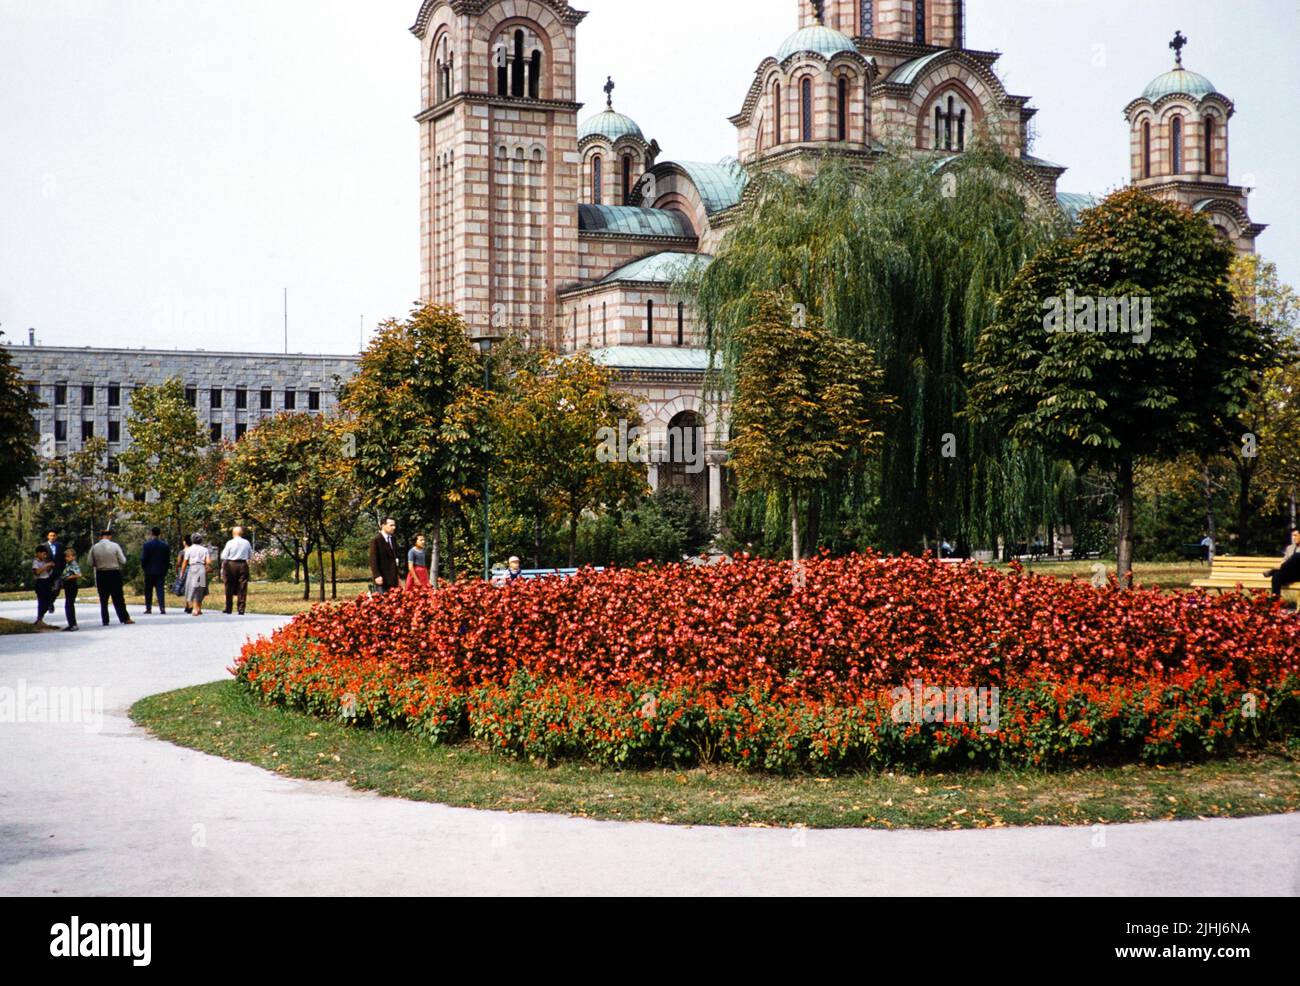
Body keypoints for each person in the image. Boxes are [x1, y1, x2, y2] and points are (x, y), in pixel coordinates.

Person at [89, 530, 133, 626]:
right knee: (118, 597)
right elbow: (123, 560)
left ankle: (105, 620)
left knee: (103, 598)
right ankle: (124, 618)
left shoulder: (94, 547)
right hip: (114, 572)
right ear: (110, 536)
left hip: (101, 573)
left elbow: (90, 562)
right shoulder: (115, 545)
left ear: (101, 537)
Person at [219, 525, 253, 615]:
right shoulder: (247, 543)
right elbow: (250, 555)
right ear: (242, 533)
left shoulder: (230, 542)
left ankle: (228, 607)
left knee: (229, 586)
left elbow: (224, 555)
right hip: (243, 564)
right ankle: (241, 608)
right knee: (242, 586)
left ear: (233, 533)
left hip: (231, 564)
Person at [179, 533, 213, 616]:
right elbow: (208, 561)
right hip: (201, 569)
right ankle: (199, 608)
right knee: (200, 588)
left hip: (193, 569)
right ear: (201, 540)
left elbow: (185, 562)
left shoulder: (189, 549)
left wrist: (182, 572)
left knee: (193, 588)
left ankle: (195, 609)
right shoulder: (204, 550)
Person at [368, 517, 402, 594]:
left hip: (393, 578)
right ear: (383, 526)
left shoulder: (393, 539)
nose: (394, 527)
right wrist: (377, 575)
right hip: (382, 578)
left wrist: (397, 576)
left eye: (394, 525)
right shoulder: (376, 540)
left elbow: (395, 558)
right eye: (391, 525)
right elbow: (373, 559)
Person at [140, 527, 171, 615]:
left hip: (149, 571)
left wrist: (144, 567)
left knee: (148, 590)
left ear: (151, 533)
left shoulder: (147, 545)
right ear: (159, 533)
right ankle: (162, 608)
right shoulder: (165, 546)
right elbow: (167, 559)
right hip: (161, 571)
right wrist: (165, 569)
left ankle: (148, 608)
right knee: (160, 590)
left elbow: (143, 558)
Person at [1265, 529, 1300, 599]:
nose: (1293, 537)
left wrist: (1279, 567)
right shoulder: (1289, 548)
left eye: (1295, 535)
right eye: (1292, 535)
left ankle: (1274, 570)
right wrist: (1282, 565)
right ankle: (1275, 602)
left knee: (1296, 556)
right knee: (1276, 576)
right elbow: (1284, 561)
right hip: (1290, 573)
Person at [40, 529, 63, 618]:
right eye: (51, 535)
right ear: (48, 536)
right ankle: (47, 605)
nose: (52, 537)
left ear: (56, 537)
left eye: (54, 535)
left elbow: (62, 558)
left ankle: (50, 602)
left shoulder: (60, 546)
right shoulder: (43, 546)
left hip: (57, 571)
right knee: (48, 589)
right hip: (47, 571)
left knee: (57, 588)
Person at [32, 546, 55, 626]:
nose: (45, 556)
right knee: (42, 601)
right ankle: (39, 619)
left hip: (47, 581)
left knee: (48, 601)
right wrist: (46, 566)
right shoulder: (36, 562)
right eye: (43, 554)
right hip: (40, 582)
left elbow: (47, 572)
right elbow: (37, 572)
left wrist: (50, 567)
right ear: (38, 553)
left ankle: (40, 618)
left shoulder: (45, 561)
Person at [61, 546, 82, 631]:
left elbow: (79, 574)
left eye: (69, 556)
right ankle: (71, 623)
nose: (67, 558)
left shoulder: (74, 564)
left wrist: (70, 577)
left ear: (73, 556)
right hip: (67, 586)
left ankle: (73, 624)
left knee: (69, 605)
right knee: (68, 605)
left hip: (72, 585)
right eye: (66, 556)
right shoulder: (67, 564)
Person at [177, 534, 193, 614]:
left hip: (185, 570)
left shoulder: (182, 552)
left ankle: (187, 605)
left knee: (186, 589)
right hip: (193, 569)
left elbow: (179, 562)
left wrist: (178, 569)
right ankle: (192, 604)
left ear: (185, 542)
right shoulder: (193, 551)